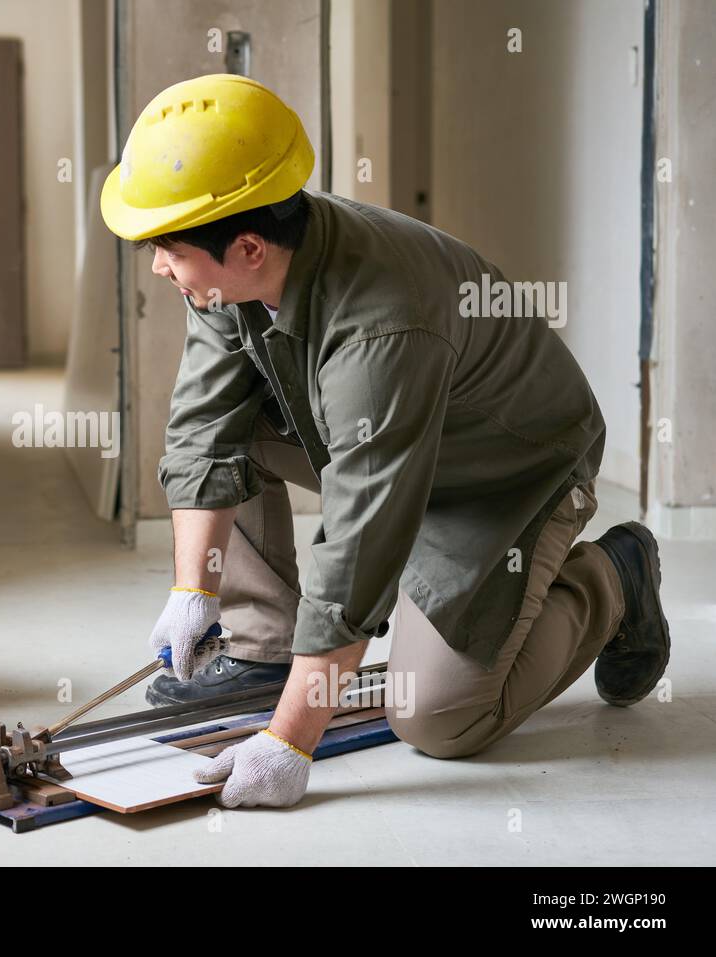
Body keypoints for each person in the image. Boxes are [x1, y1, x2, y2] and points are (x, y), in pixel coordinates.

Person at [100, 74, 670, 807]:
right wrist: (192, 589)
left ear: (245, 247)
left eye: (168, 250)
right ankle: (263, 648)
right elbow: (202, 427)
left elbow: (360, 542)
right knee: (234, 430)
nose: (157, 265)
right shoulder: (233, 268)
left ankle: (614, 580)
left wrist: (289, 739)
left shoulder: (383, 323)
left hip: (508, 474)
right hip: (390, 439)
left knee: (438, 717)